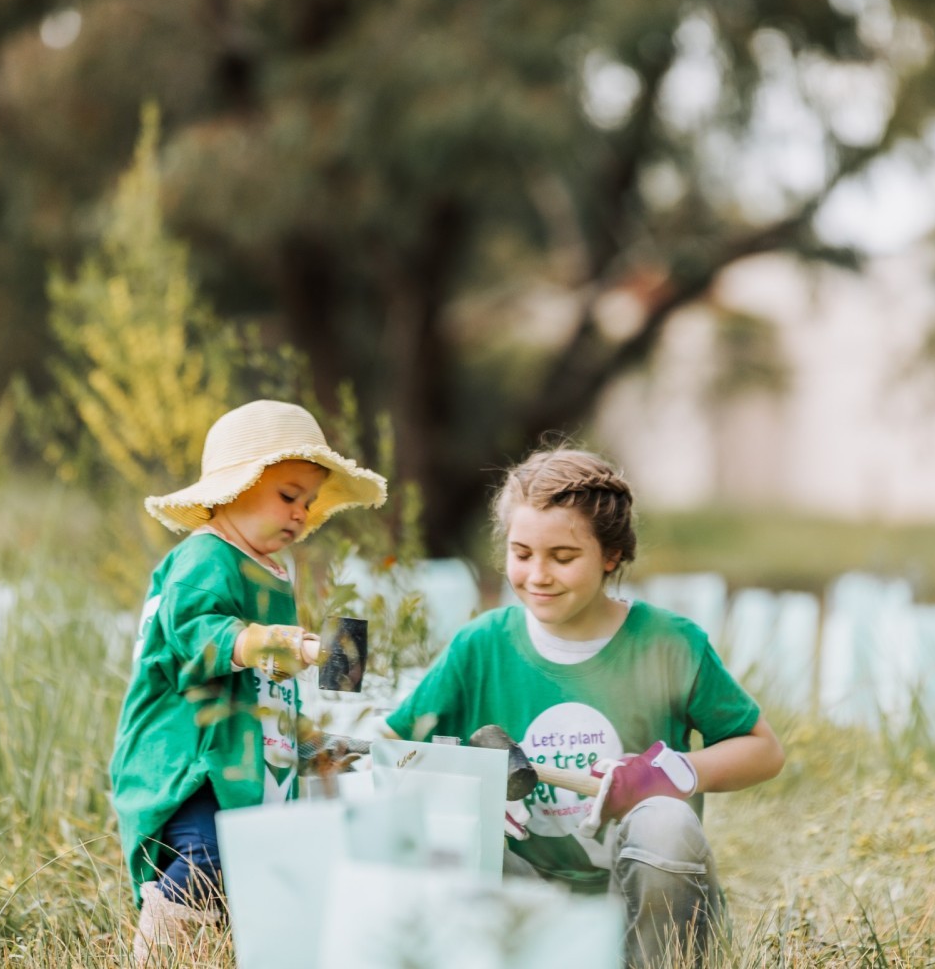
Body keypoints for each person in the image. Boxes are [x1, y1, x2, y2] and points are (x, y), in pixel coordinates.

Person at [386, 448, 784, 968]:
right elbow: (395, 754)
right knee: (443, 840)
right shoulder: (479, 646)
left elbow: (764, 751)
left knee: (666, 820)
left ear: (611, 556)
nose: (538, 575)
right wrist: (468, 798)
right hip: (530, 916)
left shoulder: (670, 643)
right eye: (521, 553)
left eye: (564, 557)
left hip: (643, 917)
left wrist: (671, 773)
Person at [109, 400, 387, 965]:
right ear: (233, 488)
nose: (301, 515)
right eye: (288, 496)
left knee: (252, 866)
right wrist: (285, 643)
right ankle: (157, 949)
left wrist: (309, 739)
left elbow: (266, 688)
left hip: (237, 748)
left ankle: (218, 943)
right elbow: (199, 635)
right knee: (207, 855)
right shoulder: (204, 556)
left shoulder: (269, 571)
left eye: (308, 503)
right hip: (189, 754)